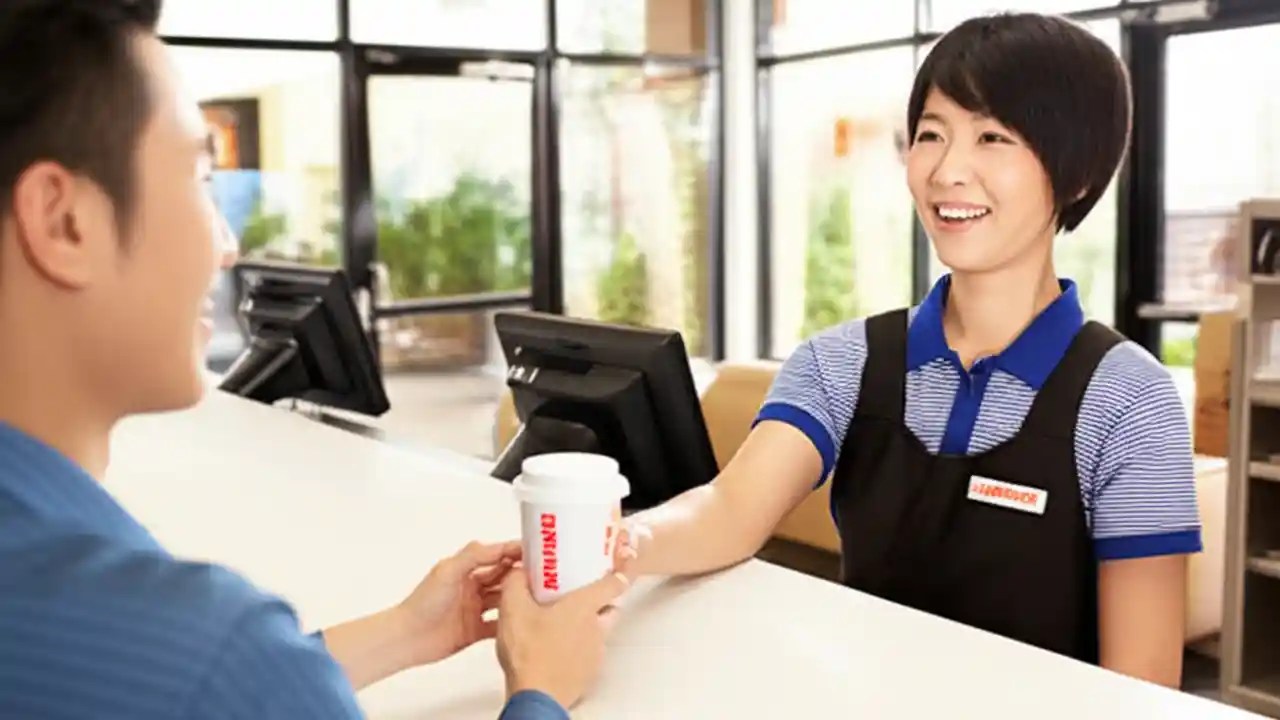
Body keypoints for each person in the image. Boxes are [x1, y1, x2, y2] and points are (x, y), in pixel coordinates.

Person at [0, 2, 625, 718]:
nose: (226, 245)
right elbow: (218, 682)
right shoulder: (206, 652)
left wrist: (403, 632)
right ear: (62, 220)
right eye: (201, 181)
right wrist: (539, 689)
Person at [622, 13, 1201, 688]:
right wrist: (617, 545)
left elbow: (1142, 689)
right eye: (931, 134)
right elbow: (728, 512)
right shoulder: (840, 362)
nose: (948, 170)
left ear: (1076, 176)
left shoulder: (1130, 402)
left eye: (993, 137)